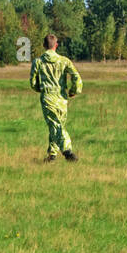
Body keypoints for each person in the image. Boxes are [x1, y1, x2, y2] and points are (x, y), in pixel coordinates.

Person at [29, 34, 82, 162]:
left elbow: (33, 82)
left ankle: (67, 151)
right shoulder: (64, 61)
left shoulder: (38, 62)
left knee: (56, 126)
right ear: (56, 45)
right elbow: (77, 77)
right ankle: (52, 155)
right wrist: (74, 90)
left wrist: (40, 89)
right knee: (57, 126)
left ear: (43, 45)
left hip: (48, 97)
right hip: (62, 99)